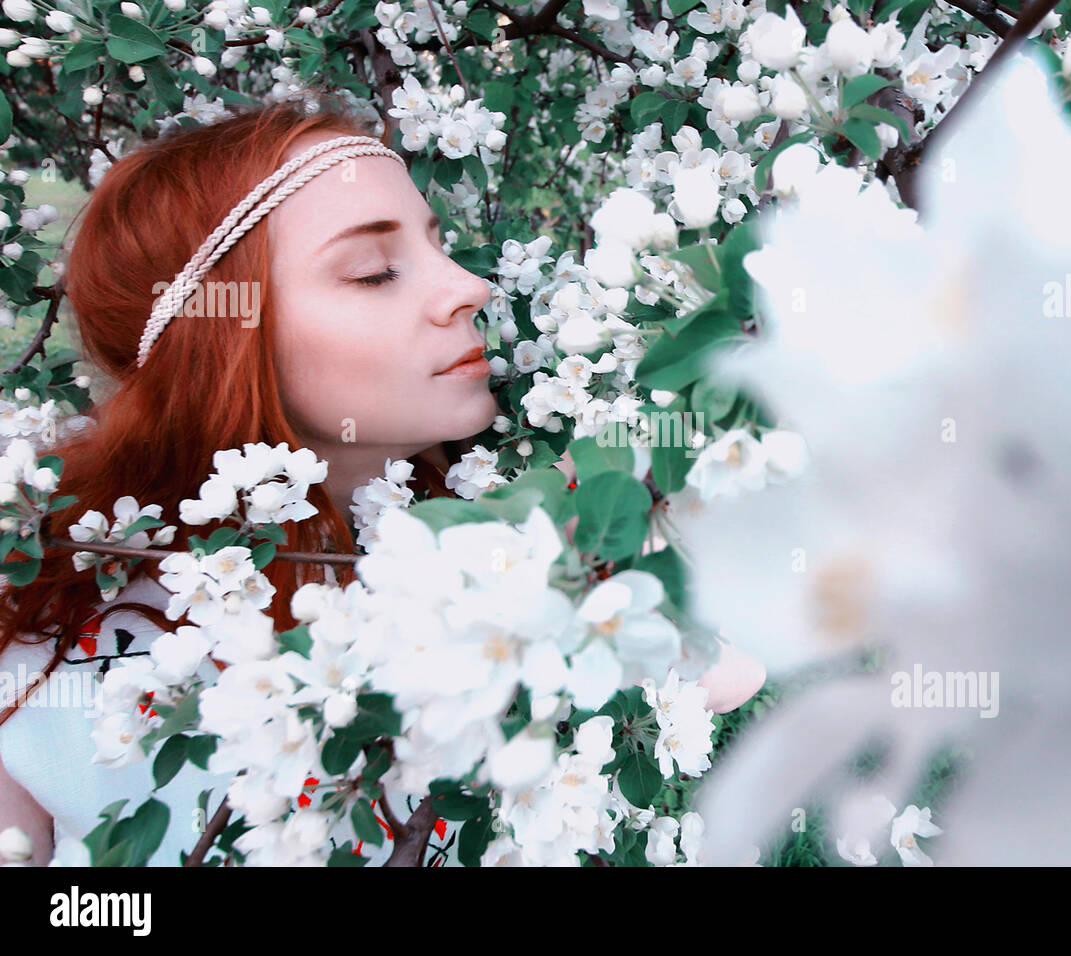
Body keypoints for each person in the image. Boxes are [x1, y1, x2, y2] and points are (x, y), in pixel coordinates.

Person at [0, 96, 763, 866]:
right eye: (374, 272)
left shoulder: (486, 549)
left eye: (442, 247)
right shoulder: (45, 665)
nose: (470, 288)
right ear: (216, 337)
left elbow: (726, 673)